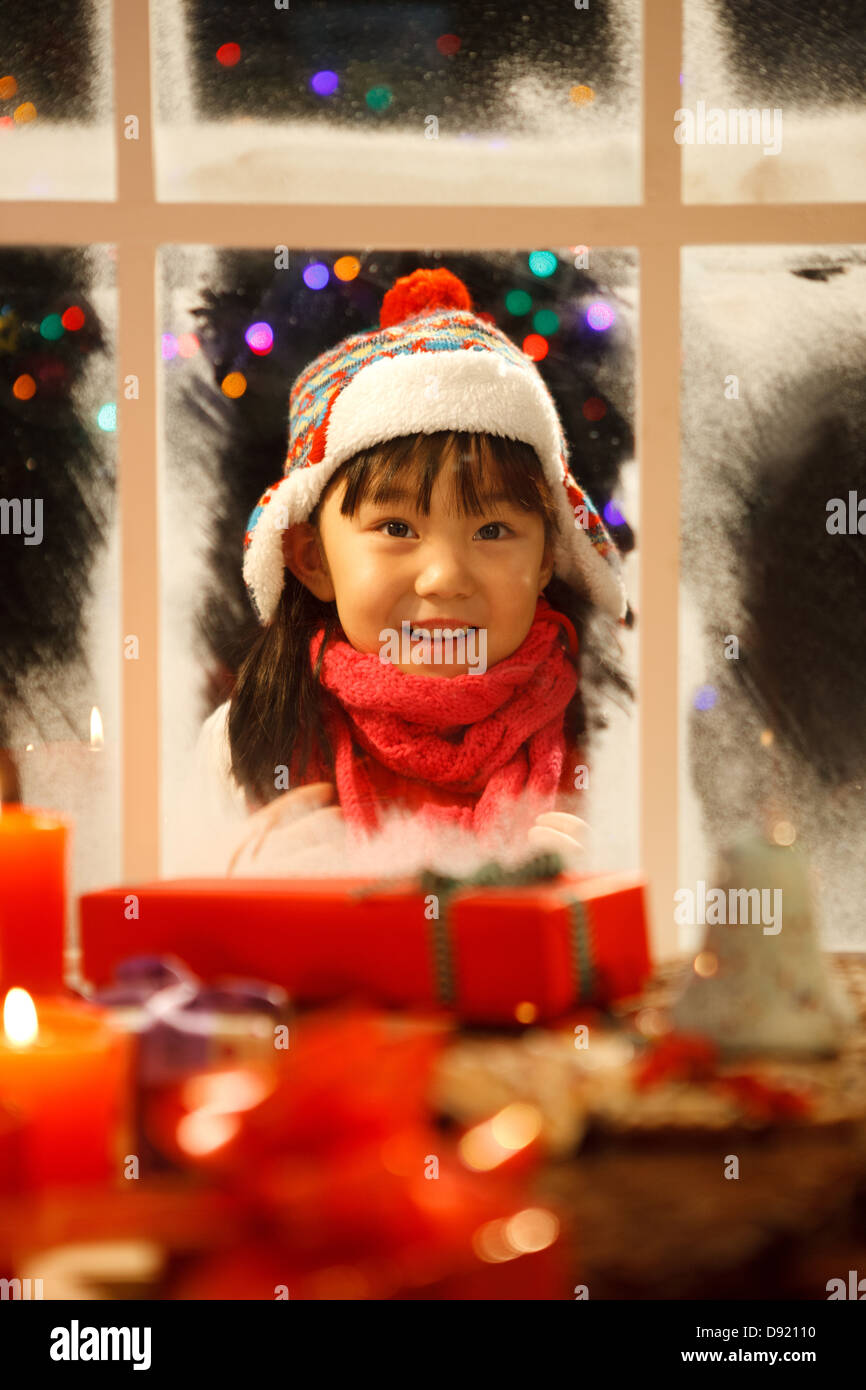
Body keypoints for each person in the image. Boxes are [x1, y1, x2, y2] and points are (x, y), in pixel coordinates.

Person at [193, 266, 631, 876]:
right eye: (396, 529)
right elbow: (180, 959)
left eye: (492, 531)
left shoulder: (611, 748)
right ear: (313, 561)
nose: (444, 577)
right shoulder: (245, 744)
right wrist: (250, 895)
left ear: (545, 561)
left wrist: (595, 903)